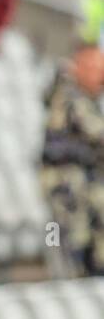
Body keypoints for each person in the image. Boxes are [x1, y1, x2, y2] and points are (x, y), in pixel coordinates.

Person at [42, 44, 104, 276]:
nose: (100, 74)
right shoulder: (69, 97)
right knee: (72, 252)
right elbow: (97, 135)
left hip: (83, 189)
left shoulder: (88, 99)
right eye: (94, 67)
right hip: (67, 189)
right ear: (78, 66)